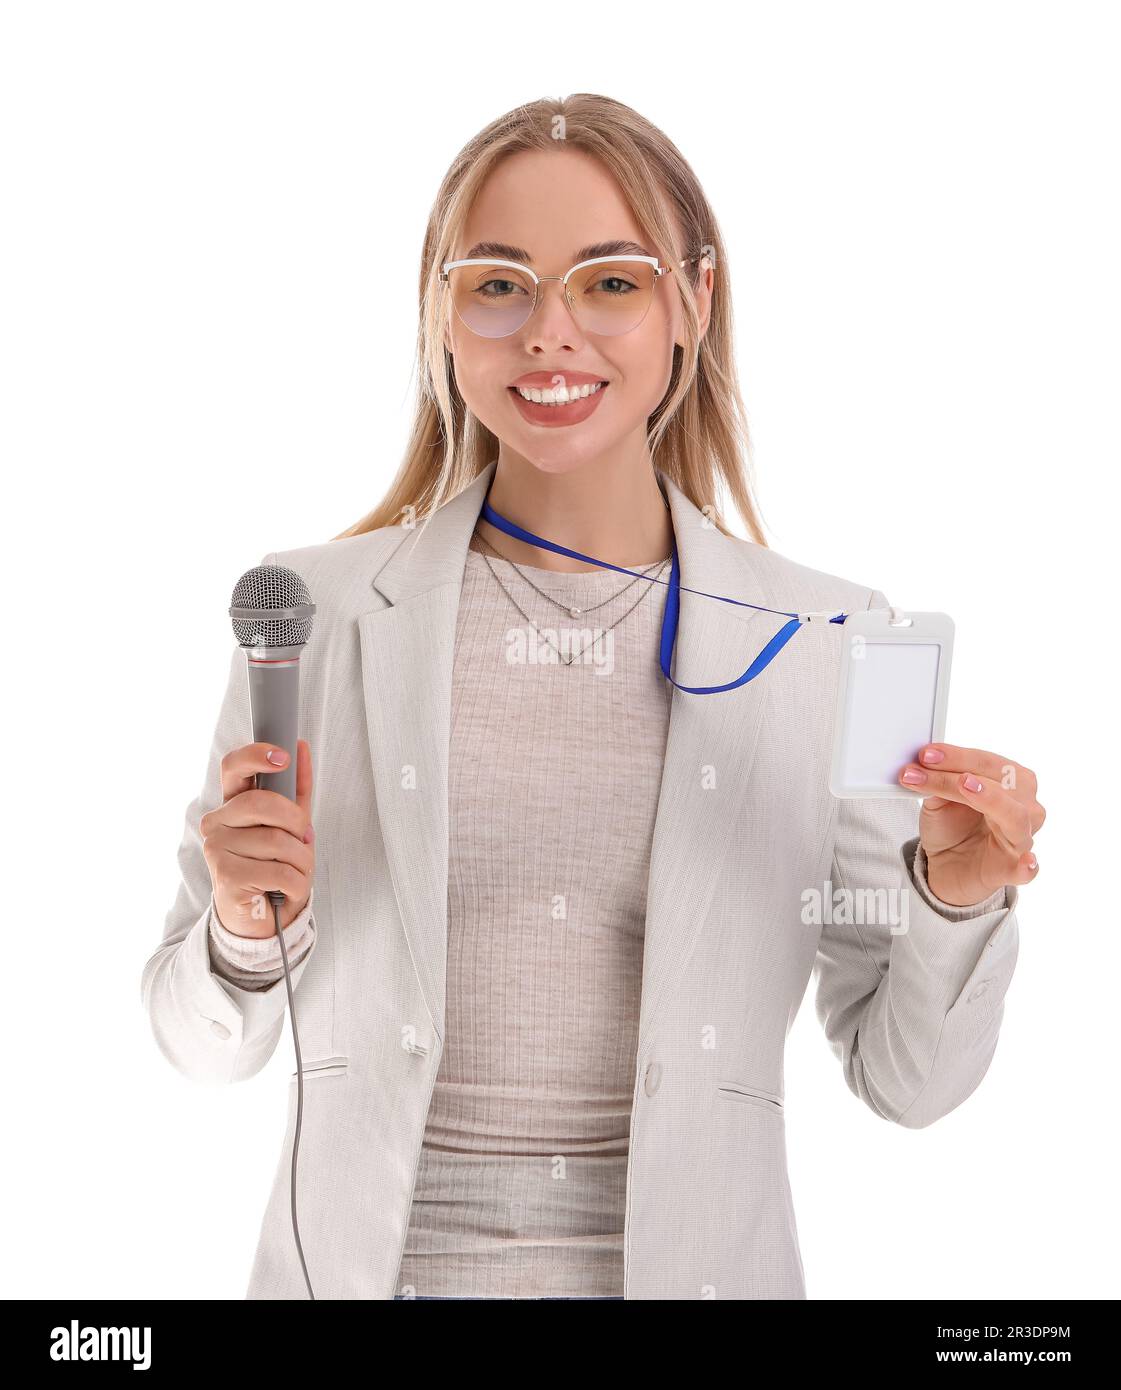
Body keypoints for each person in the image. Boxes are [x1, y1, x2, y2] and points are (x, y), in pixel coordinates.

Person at [142, 94, 1045, 1301]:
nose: (548, 333)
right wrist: (245, 936)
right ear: (441, 317)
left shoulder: (832, 640)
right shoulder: (311, 617)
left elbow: (906, 1082)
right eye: (498, 283)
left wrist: (951, 899)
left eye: (610, 282)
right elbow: (197, 1044)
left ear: (693, 303)